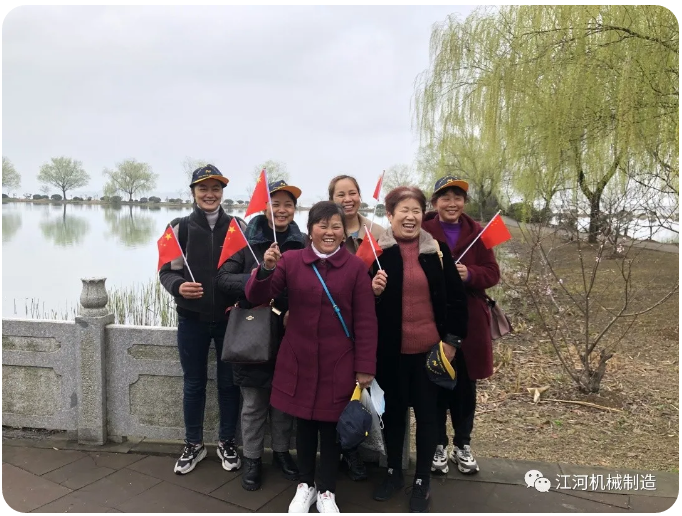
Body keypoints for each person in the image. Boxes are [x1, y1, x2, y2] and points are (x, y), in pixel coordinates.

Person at [245, 201, 378, 513]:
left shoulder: (356, 268)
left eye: (335, 226)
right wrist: (266, 268)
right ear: (310, 231)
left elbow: (366, 321)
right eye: (322, 225)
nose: (329, 231)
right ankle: (306, 485)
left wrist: (365, 368)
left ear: (344, 233)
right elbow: (257, 296)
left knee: (332, 430)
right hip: (299, 360)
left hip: (339, 363)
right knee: (303, 426)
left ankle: (327, 491)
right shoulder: (291, 261)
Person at [370, 186, 468, 513]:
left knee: (428, 419)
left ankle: (422, 480)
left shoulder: (436, 251)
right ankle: (394, 471)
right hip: (391, 355)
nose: (410, 217)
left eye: (416, 211)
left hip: (430, 353)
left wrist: (452, 342)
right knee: (393, 416)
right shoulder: (377, 254)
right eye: (403, 211)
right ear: (390, 215)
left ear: (422, 215)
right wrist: (375, 292)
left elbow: (456, 299)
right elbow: (363, 308)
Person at [215, 180, 306, 491]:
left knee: (284, 401)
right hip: (252, 332)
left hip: (288, 334)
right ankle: (252, 458)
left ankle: (281, 452)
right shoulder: (243, 241)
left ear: (295, 209)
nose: (282, 210)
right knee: (253, 403)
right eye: (275, 203)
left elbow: (310, 283)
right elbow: (223, 279)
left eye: (288, 204)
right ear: (265, 207)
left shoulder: (302, 242)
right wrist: (260, 275)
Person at [159, 164, 243, 475]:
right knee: (193, 384)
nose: (210, 194)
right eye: (203, 188)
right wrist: (179, 286)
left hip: (228, 320)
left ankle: (227, 442)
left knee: (228, 384)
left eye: (216, 188)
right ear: (193, 192)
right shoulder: (178, 228)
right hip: (191, 320)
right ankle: (193, 444)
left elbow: (248, 271)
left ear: (222, 192)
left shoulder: (237, 227)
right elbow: (167, 272)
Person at [422, 176, 500, 476]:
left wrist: (470, 274)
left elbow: (493, 273)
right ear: (435, 203)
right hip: (433, 319)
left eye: (457, 197)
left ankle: (462, 444)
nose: (452, 203)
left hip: (471, 324)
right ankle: (438, 445)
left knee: (466, 388)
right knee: (436, 383)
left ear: (464, 202)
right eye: (445, 197)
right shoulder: (424, 231)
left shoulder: (480, 233)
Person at [327, 174, 384, 481]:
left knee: (357, 391)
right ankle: (335, 453)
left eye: (352, 193)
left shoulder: (377, 234)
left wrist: (376, 289)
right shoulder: (326, 232)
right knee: (333, 394)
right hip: (331, 327)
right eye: (340, 194)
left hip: (363, 325)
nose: (347, 199)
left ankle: (354, 451)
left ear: (360, 196)